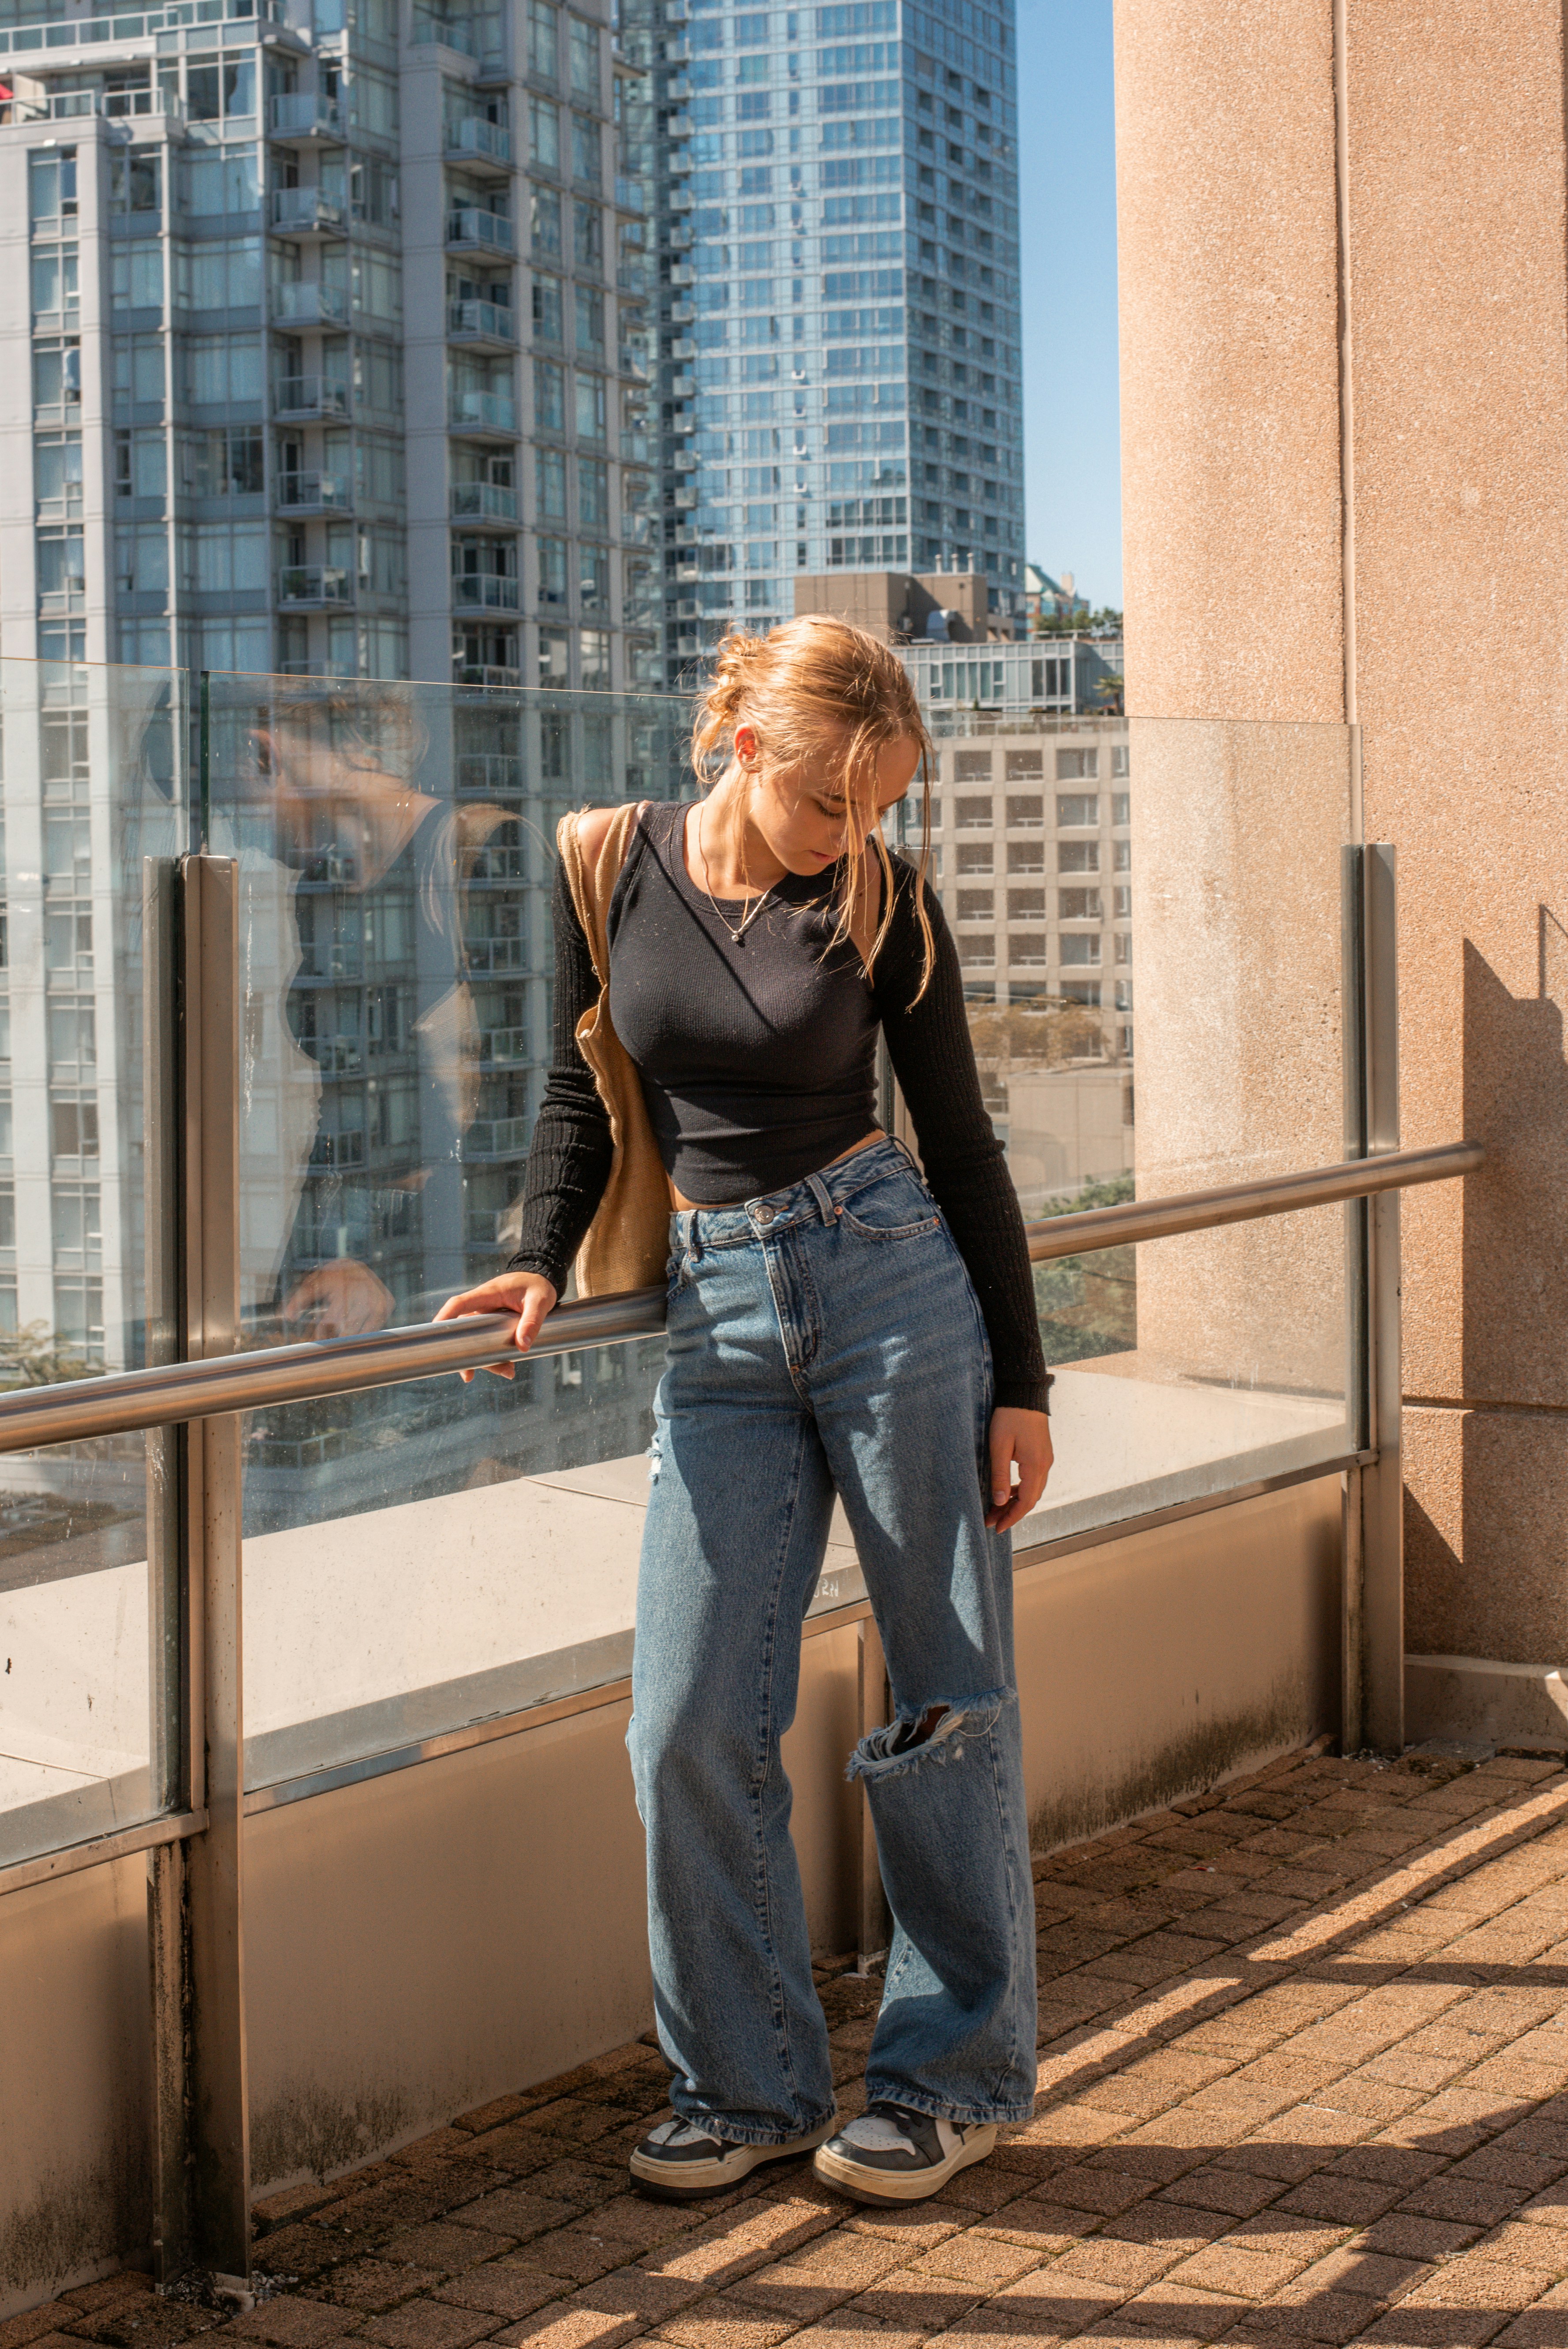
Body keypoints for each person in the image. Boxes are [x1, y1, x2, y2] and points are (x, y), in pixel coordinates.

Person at [436, 616, 1053, 2208]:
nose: (853, 838)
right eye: (834, 804)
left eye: (878, 811)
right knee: (688, 1721)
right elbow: (579, 1087)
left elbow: (966, 1148)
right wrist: (531, 1259)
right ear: (744, 744)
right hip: (710, 1319)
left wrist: (1022, 1383)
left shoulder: (880, 901)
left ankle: (952, 2076)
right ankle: (749, 2084)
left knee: (945, 1698)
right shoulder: (602, 863)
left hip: (891, 1292)